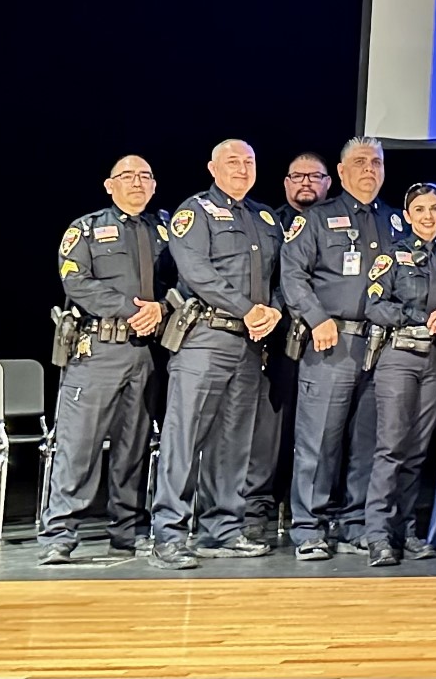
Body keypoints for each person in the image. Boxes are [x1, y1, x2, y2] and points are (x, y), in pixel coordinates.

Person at [149, 139, 283, 569]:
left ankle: (221, 529)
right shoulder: (195, 212)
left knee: (234, 442)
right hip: (205, 337)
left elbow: (283, 275)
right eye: (233, 161)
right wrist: (249, 309)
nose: (242, 169)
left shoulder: (265, 218)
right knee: (184, 437)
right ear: (212, 167)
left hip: (249, 344)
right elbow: (197, 272)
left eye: (249, 161)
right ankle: (168, 534)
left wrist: (275, 310)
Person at [39, 155, 174, 564]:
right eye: (127, 176)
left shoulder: (166, 231)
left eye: (145, 176)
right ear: (108, 185)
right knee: (78, 446)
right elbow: (74, 279)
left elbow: (182, 280)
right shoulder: (87, 228)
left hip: (144, 353)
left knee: (134, 446)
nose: (137, 182)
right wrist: (131, 308)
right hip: (96, 350)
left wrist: (162, 308)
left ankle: (126, 532)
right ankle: (60, 534)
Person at [278, 137, 404, 560]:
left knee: (368, 441)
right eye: (361, 162)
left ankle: (354, 524)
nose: (370, 169)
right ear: (342, 171)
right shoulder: (317, 219)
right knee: (319, 440)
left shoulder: (396, 223)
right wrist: (316, 318)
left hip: (384, 347)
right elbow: (292, 275)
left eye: (377, 162)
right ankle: (309, 528)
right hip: (333, 343)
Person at [360, 183, 436, 566]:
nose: (427, 216)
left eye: (434, 208)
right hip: (400, 356)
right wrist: (422, 318)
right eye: (419, 209)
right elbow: (374, 305)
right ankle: (377, 534)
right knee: (391, 447)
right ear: (407, 216)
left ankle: (405, 530)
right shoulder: (392, 257)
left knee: (417, 450)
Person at [243, 151, 331, 542]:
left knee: (322, 435)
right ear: (285, 183)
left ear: (330, 182)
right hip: (276, 341)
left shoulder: (340, 223)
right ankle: (258, 509)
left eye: (315, 176)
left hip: (327, 341)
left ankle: (315, 510)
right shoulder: (268, 222)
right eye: (298, 176)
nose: (306, 183)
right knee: (270, 433)